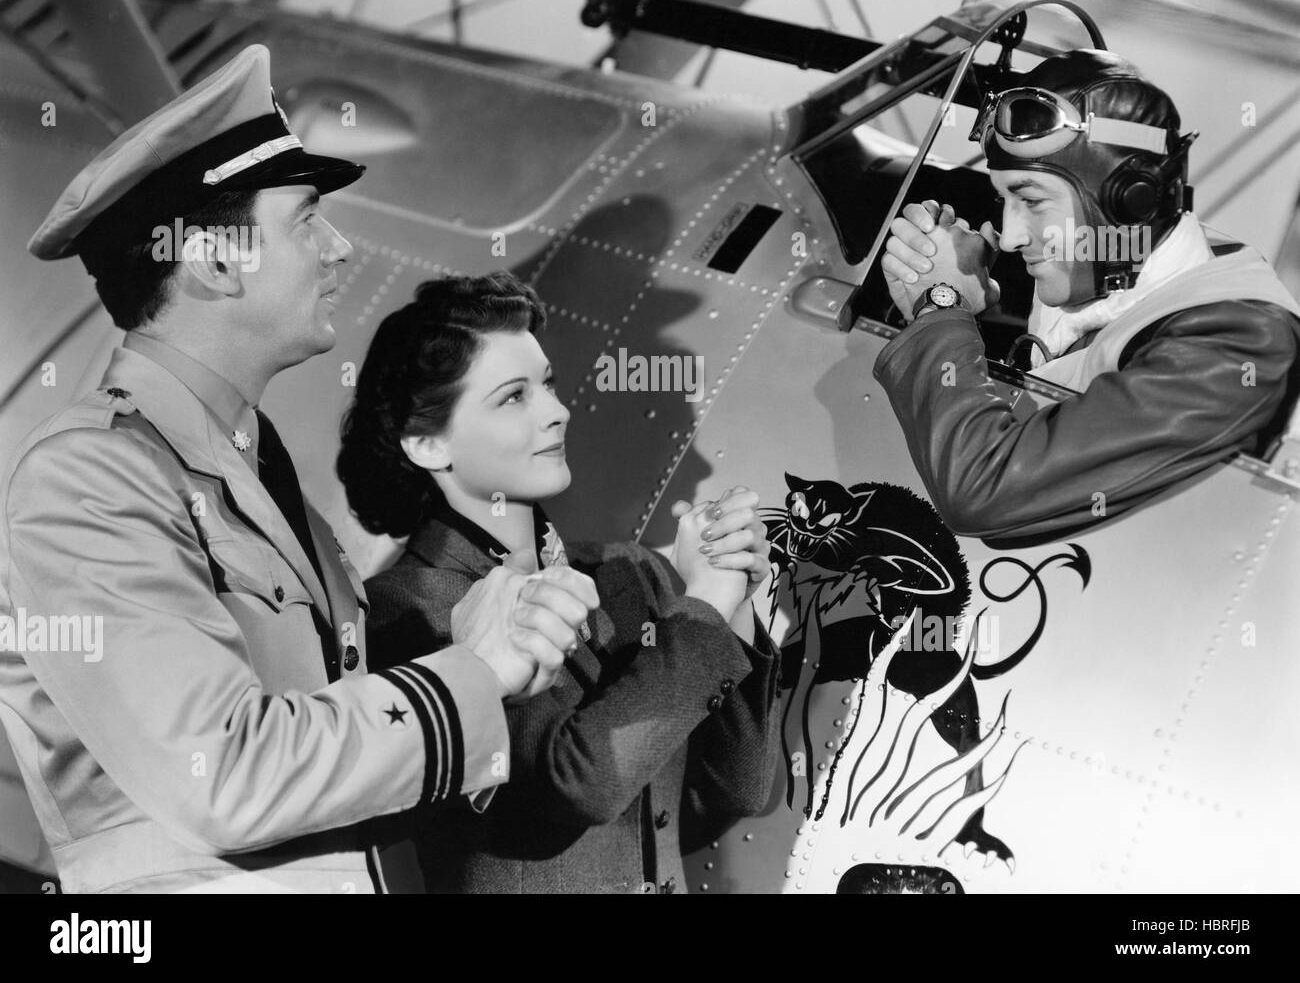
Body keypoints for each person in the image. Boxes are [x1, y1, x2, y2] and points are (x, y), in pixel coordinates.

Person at [0, 46, 594, 893]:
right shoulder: (88, 480)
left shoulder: (250, 471)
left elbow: (330, 770)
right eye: (306, 218)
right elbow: (225, 775)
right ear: (211, 260)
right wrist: (474, 667)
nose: (338, 246)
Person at [339, 272, 781, 894]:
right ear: (427, 444)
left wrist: (729, 605)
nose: (557, 410)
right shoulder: (404, 613)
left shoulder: (632, 574)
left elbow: (735, 790)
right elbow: (573, 786)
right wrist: (700, 607)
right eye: (513, 397)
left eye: (546, 383)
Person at [875, 49, 1300, 542]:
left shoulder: (1239, 344)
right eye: (1004, 198)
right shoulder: (1114, 260)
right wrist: (962, 311)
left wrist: (942, 306)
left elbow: (982, 491)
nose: (1010, 237)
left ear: (1124, 202)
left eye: (1031, 200)